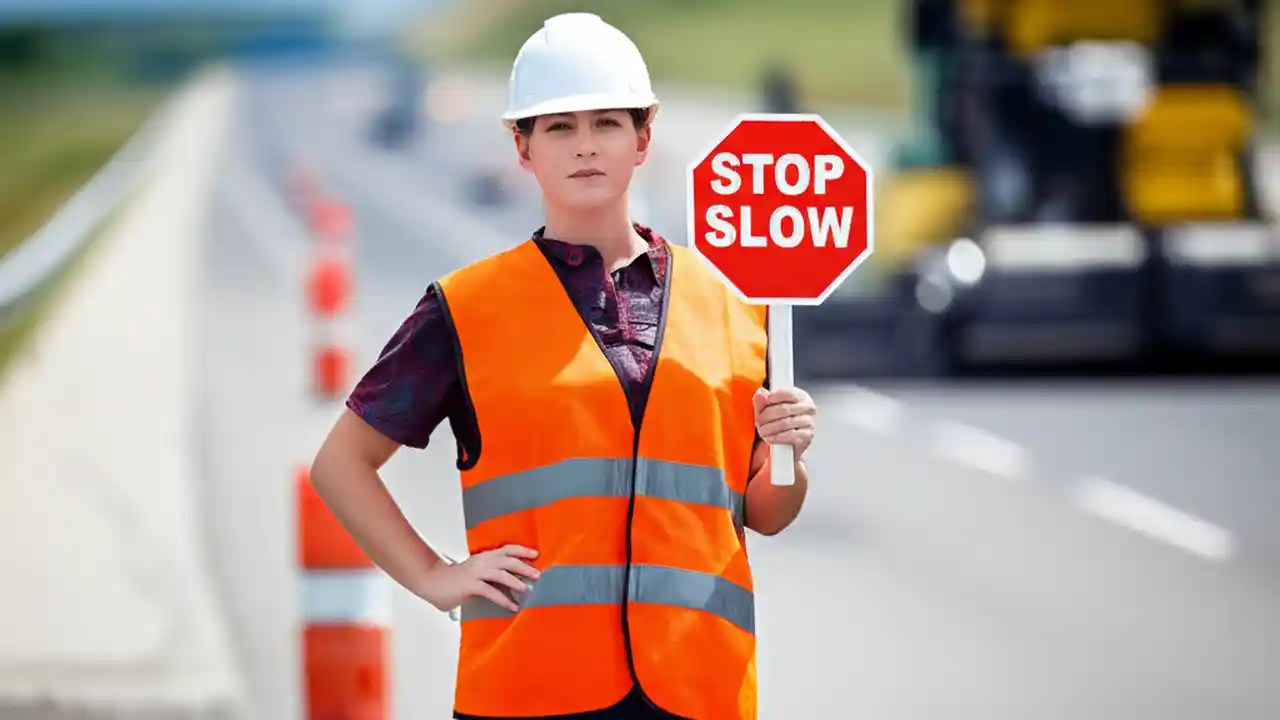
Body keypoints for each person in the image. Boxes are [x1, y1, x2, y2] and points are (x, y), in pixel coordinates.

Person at [310, 13, 819, 720]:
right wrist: (434, 575)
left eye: (607, 123)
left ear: (643, 138)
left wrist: (790, 457)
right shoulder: (467, 308)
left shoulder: (733, 303)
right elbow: (341, 466)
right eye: (558, 127)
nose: (585, 145)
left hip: (702, 688)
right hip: (532, 688)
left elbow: (763, 513)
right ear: (522, 147)